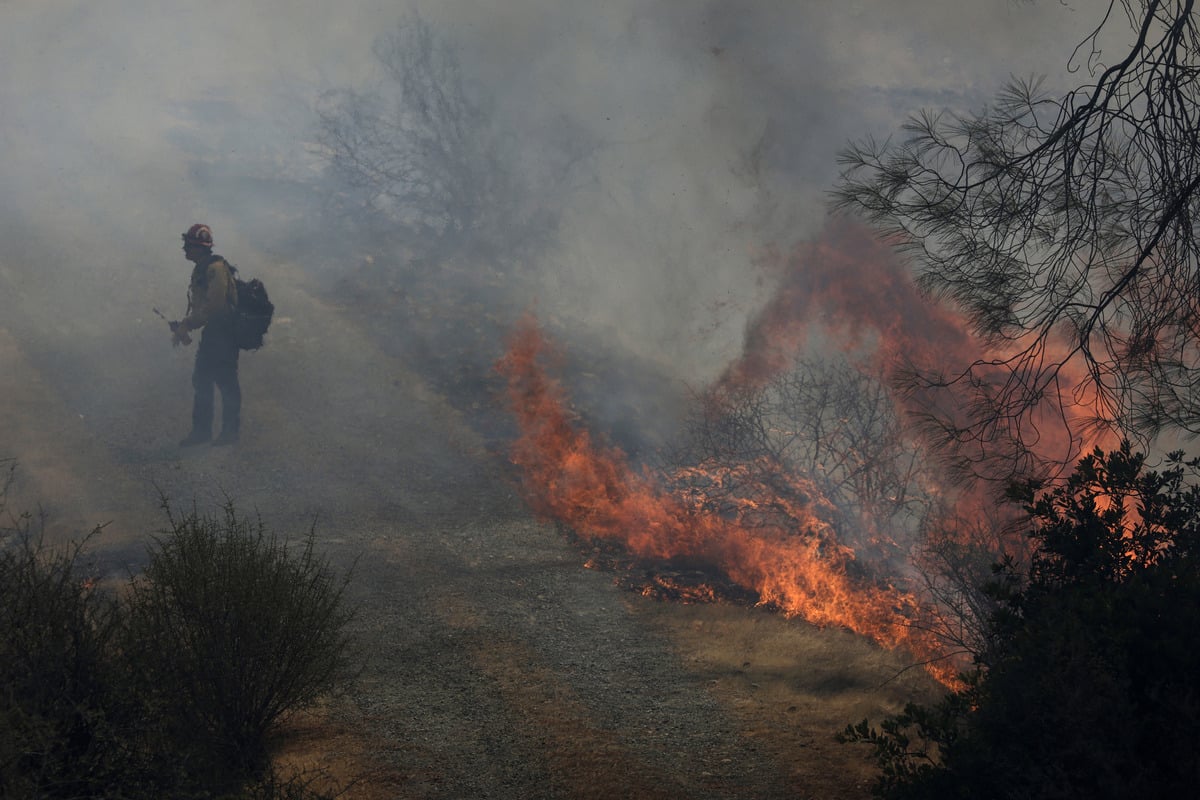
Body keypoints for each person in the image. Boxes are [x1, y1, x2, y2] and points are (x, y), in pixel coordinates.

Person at [172, 223, 241, 447]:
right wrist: (185, 326)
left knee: (225, 382)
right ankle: (203, 432)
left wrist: (189, 324)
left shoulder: (215, 269)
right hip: (215, 332)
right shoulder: (203, 267)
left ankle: (229, 432)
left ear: (199, 248)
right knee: (202, 379)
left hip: (225, 332)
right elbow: (202, 304)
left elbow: (215, 305)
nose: (184, 250)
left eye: (188, 246)